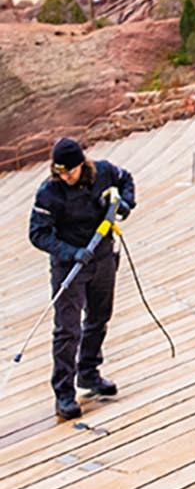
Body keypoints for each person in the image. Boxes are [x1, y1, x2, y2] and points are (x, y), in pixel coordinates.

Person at [28, 138, 135, 420]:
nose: (65, 177)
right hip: (70, 266)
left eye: (70, 172)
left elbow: (126, 180)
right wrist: (71, 252)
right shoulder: (49, 193)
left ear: (81, 163)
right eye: (60, 172)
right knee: (67, 329)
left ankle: (88, 372)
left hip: (103, 257)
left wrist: (124, 205)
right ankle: (64, 393)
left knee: (99, 317)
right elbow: (38, 234)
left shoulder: (103, 171)